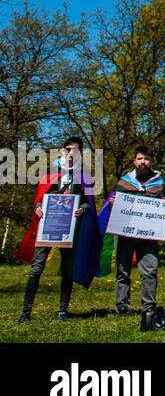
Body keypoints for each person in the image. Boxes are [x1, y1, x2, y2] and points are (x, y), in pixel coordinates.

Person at [17, 137, 101, 322]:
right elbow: (39, 199)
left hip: (69, 229)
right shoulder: (50, 174)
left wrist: (82, 209)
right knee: (36, 268)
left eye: (75, 150)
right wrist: (37, 207)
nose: (70, 153)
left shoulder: (84, 177)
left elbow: (88, 203)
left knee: (67, 269)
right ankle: (25, 312)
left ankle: (63, 311)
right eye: (67, 149)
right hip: (47, 227)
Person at [113, 145, 165, 317]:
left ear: (151, 161)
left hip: (148, 236)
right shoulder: (124, 181)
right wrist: (114, 203)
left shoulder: (158, 183)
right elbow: (115, 206)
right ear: (134, 161)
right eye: (140, 158)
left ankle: (148, 307)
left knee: (150, 270)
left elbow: (162, 206)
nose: (143, 162)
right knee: (122, 269)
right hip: (126, 233)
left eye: (146, 159)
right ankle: (122, 306)